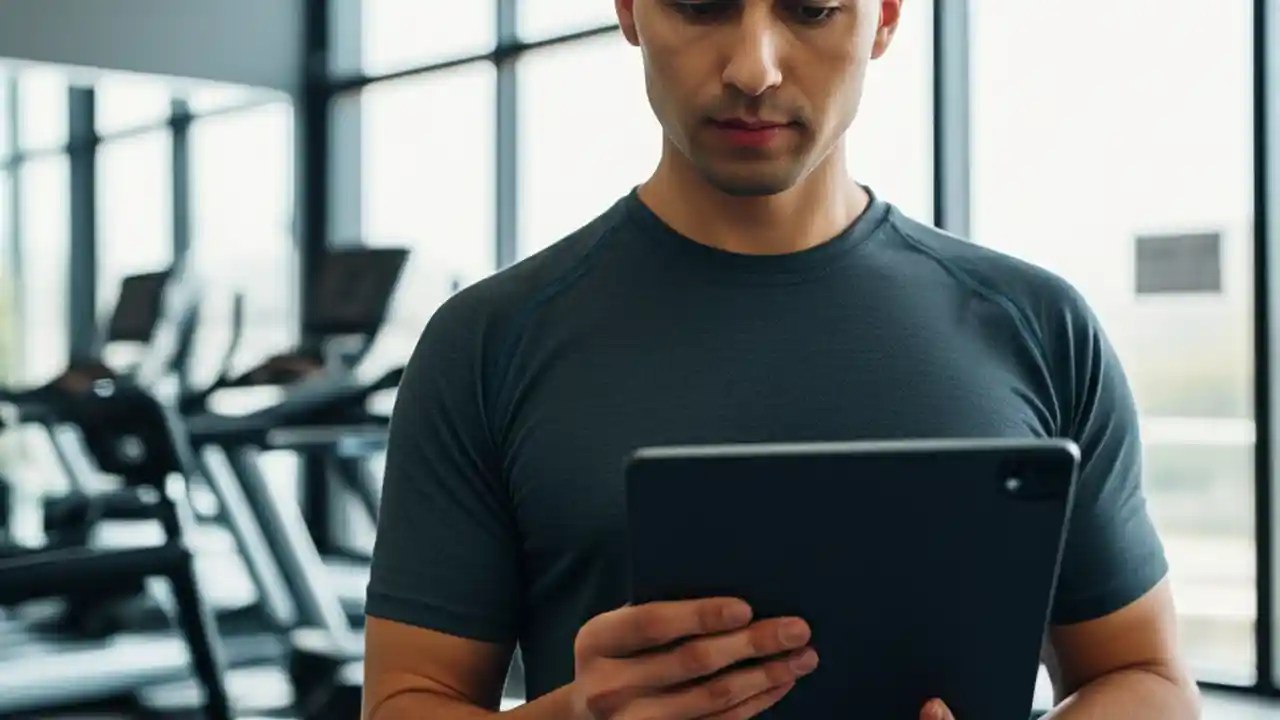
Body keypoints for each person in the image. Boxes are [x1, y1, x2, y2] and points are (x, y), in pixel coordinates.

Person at [361, 1, 1202, 718]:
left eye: (810, 8)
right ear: (628, 10)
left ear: (884, 17)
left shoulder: (1039, 326)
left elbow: (1149, 679)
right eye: (700, 3)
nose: (754, 67)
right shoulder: (484, 343)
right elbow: (405, 698)